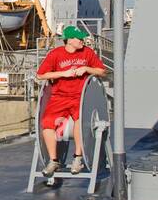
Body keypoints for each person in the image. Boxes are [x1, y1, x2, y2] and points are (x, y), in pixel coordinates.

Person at [36, 26, 107, 175]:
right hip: (59, 97)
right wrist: (64, 73)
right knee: (47, 123)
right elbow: (41, 75)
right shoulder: (56, 54)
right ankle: (53, 160)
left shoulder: (87, 52)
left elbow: (102, 71)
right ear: (69, 40)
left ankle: (77, 158)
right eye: (78, 38)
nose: (82, 40)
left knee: (80, 123)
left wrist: (87, 69)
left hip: (81, 97)